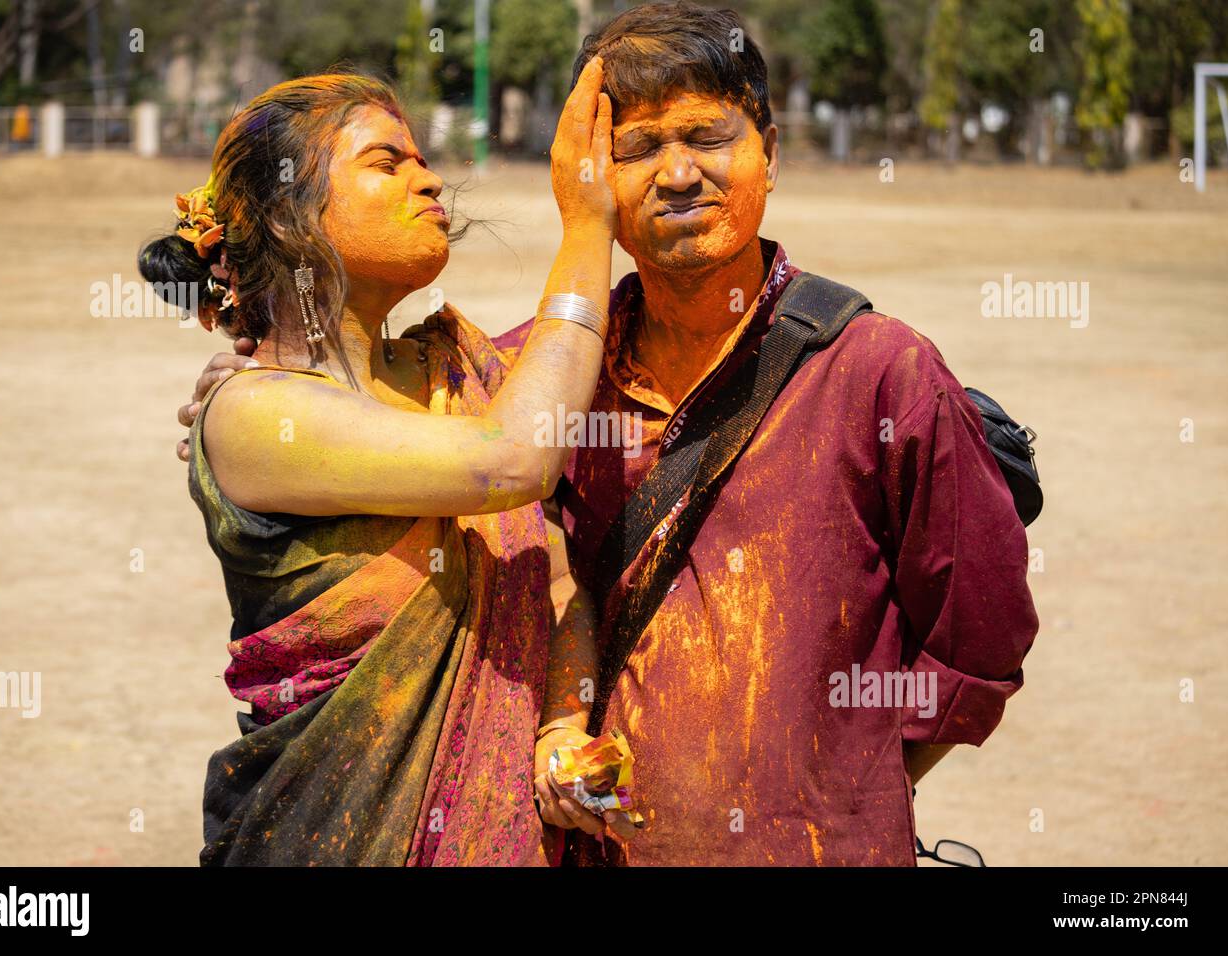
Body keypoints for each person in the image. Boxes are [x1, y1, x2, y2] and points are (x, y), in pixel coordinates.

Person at [182, 2, 1039, 866]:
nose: (677, 174)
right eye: (634, 151)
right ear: (593, 176)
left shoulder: (875, 371)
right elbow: (523, 500)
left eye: (709, 137)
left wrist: (838, 781)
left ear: (769, 156)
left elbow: (981, 641)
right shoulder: (527, 387)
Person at [143, 60, 636, 865]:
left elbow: (553, 575)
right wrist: (587, 231)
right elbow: (513, 460)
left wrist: (561, 724)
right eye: (388, 162)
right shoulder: (254, 412)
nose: (431, 180)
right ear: (286, 214)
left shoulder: (463, 370)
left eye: (422, 159)